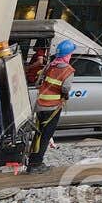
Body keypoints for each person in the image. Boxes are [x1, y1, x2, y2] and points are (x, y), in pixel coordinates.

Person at [27, 39, 76, 172]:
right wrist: (65, 96)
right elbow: (65, 88)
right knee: (46, 135)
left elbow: (38, 82)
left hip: (40, 105)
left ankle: (32, 161)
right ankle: (36, 164)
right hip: (53, 107)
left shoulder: (50, 65)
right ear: (68, 55)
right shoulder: (68, 70)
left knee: (38, 133)